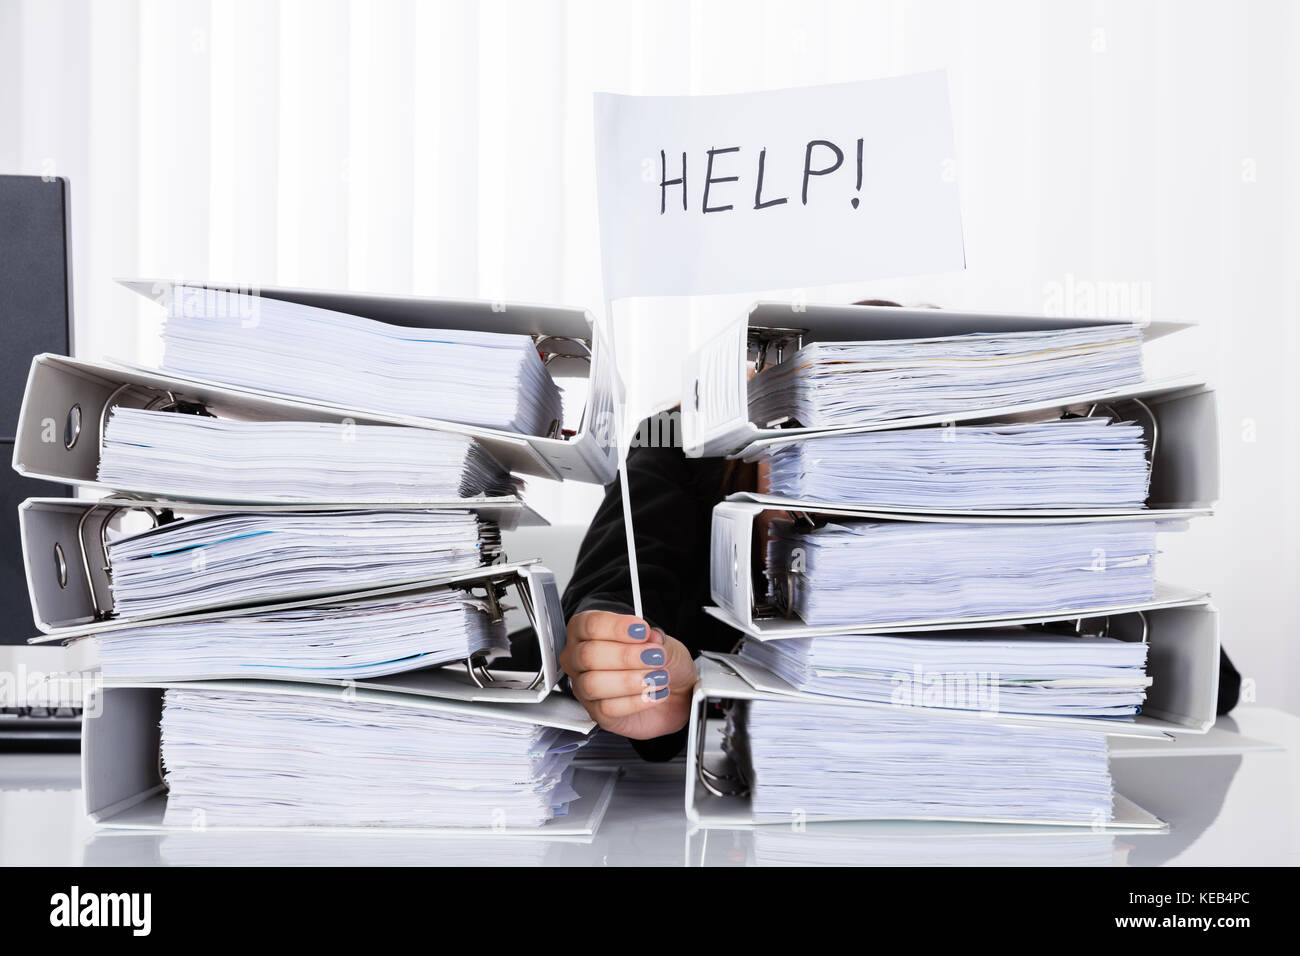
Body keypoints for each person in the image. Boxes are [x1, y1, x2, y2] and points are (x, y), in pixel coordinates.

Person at [558, 301, 1242, 761]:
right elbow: (613, 603)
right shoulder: (679, 448)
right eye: (810, 450)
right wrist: (638, 676)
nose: (841, 506)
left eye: (883, 471)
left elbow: (1207, 680)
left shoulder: (964, 536)